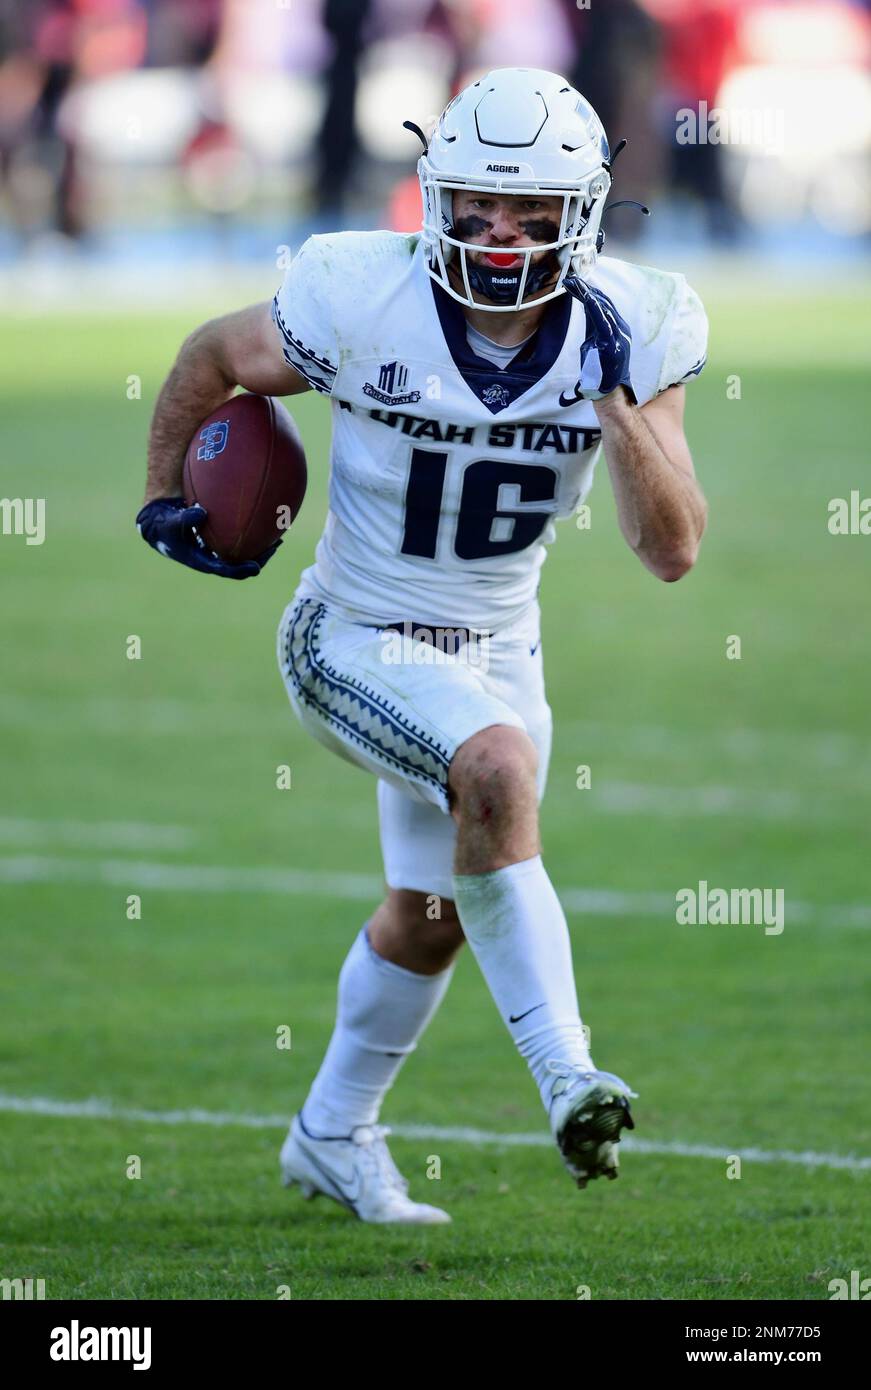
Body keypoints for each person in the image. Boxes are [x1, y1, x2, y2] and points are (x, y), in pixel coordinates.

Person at [137, 67, 708, 1225]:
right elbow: (212, 355)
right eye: (473, 204)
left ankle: (331, 1136)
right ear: (433, 196)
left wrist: (612, 397)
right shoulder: (358, 291)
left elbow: (671, 550)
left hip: (500, 647)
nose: (497, 231)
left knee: (437, 913)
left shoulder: (639, 321)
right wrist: (163, 496)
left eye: (529, 211)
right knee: (492, 773)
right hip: (350, 631)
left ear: (581, 214)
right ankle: (568, 1078)